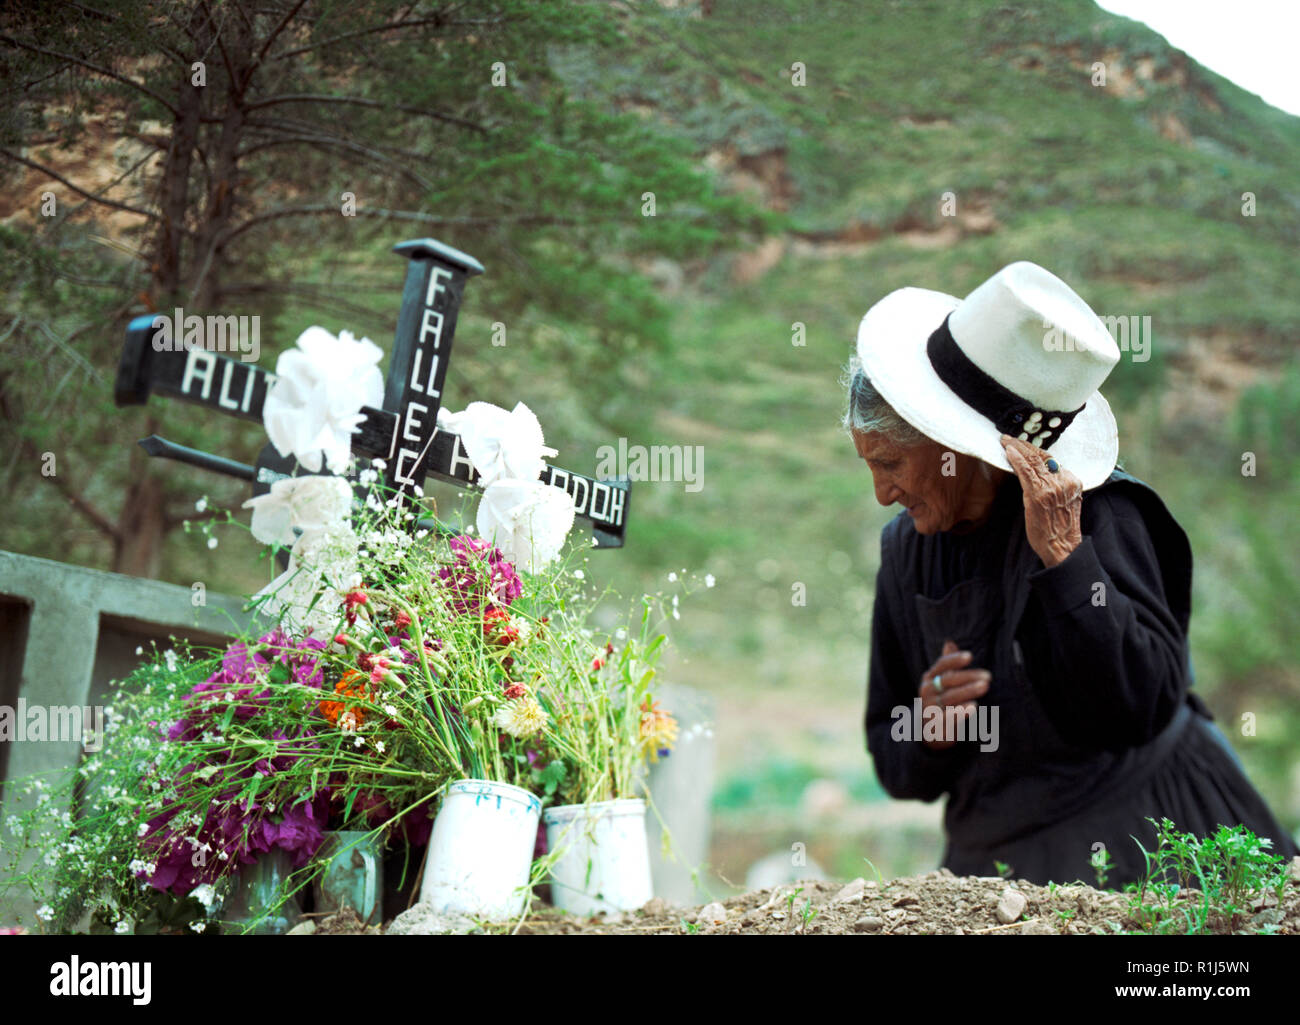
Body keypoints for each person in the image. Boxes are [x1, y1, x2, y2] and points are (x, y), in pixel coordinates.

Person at [849, 261, 1298, 887]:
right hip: (991, 866)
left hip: (1144, 834)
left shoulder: (1101, 517)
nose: (880, 493)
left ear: (950, 445)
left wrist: (1065, 560)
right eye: (868, 463)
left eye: (891, 464)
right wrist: (927, 727)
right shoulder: (905, 550)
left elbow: (1139, 710)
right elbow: (896, 764)